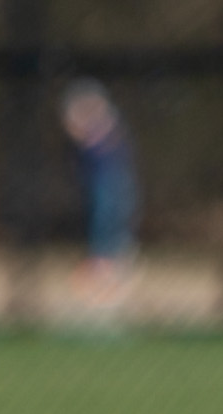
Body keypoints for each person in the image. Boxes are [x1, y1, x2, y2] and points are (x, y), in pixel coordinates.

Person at [60, 79, 139, 299]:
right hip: (100, 186)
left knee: (112, 232)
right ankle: (104, 280)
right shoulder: (86, 133)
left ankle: (112, 279)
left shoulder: (108, 129)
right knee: (103, 234)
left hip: (113, 185)